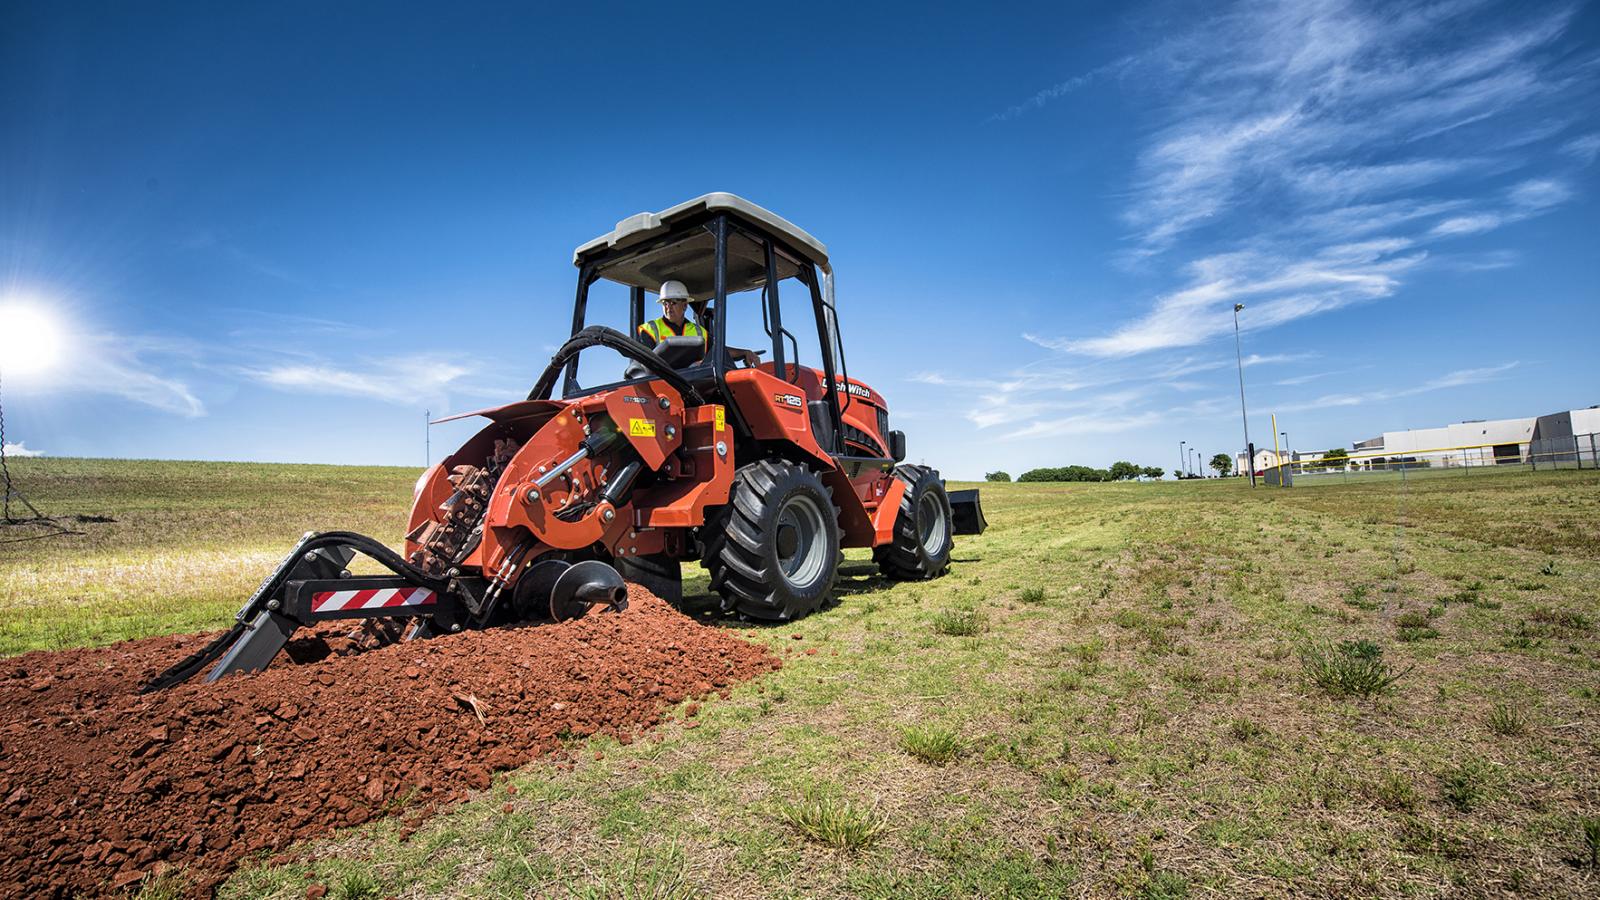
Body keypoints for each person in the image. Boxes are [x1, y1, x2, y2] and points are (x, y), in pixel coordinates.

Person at [638, 280, 761, 367]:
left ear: (685, 305)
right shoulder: (650, 329)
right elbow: (647, 366)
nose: (668, 307)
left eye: (673, 303)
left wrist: (744, 352)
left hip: (694, 386)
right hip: (665, 389)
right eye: (665, 303)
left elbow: (717, 351)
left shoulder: (698, 331)